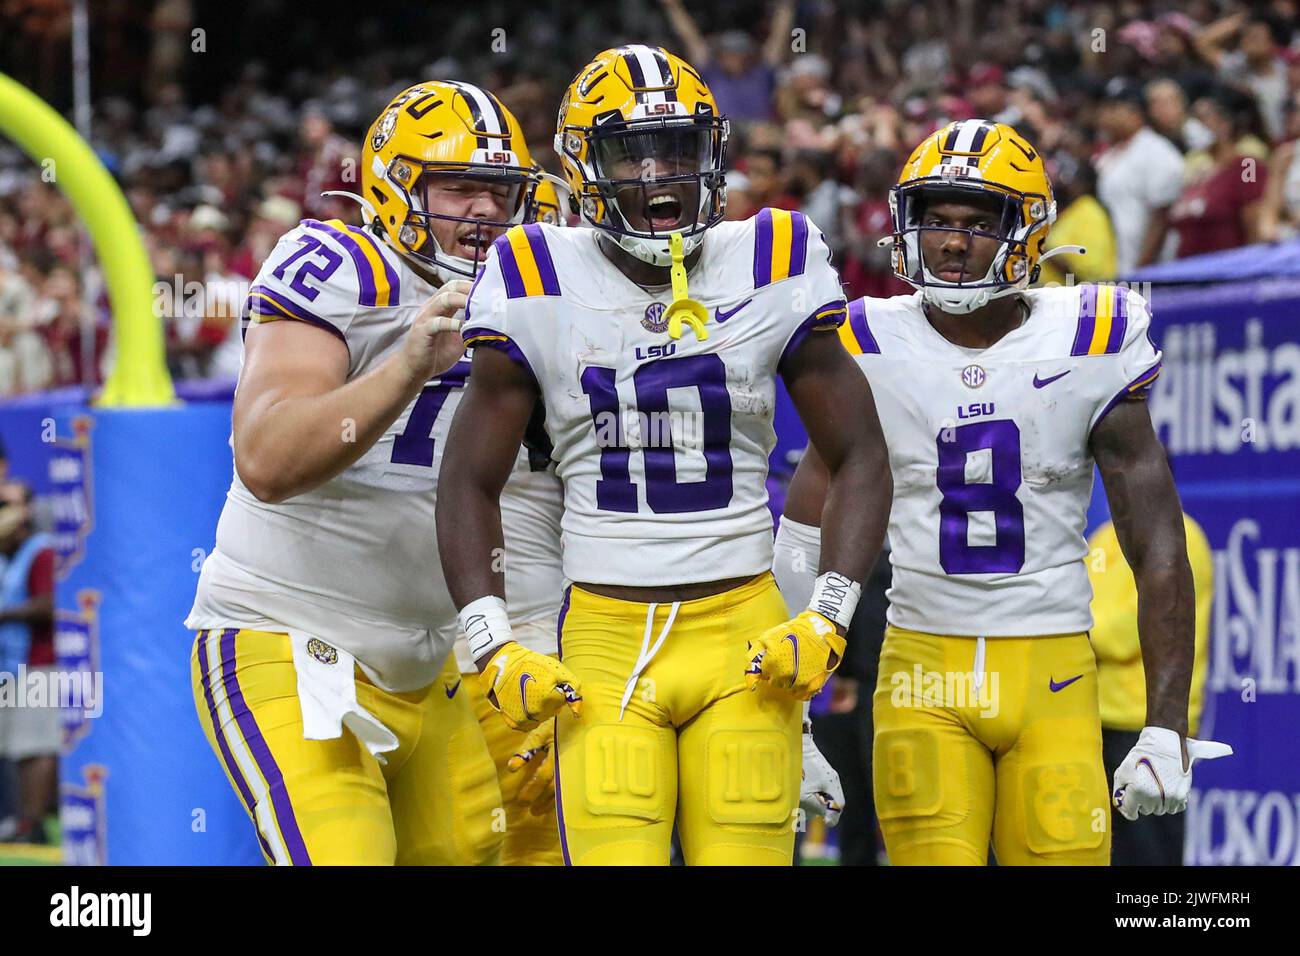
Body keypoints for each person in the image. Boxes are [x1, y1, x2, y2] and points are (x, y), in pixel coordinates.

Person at [437, 45, 892, 866]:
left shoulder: (774, 258)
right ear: (582, 166)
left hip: (742, 631)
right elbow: (468, 482)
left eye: (677, 149)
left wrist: (826, 615)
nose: (656, 174)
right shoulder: (533, 272)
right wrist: (491, 640)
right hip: (606, 640)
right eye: (628, 153)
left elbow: (859, 452)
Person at [782, 120, 1230, 865]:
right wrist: (788, 721)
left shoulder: (1093, 334)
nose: (952, 243)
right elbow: (804, 529)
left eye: (977, 224)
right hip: (920, 667)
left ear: (1025, 231)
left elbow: (1156, 545)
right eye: (935, 221)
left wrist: (1164, 726)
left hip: (1051, 670)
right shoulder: (864, 339)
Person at [184, 81, 542, 865]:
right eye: (460, 187)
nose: (484, 210)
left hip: (434, 663)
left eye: (501, 191)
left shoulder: (528, 295)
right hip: (290, 637)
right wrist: (408, 363)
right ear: (394, 186)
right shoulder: (342, 266)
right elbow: (268, 460)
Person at [1088, 502, 1215, 865]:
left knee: (1146, 855)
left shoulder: (1180, 535)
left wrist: (1069, 629)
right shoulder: (1103, 538)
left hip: (1148, 727)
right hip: (1096, 723)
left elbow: (1132, 632)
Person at [0, 480, 57, 845]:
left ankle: (35, 824)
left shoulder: (42, 552)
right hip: (17, 665)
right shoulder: (12, 556)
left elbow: (49, 605)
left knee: (37, 747)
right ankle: (25, 822)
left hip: (43, 664)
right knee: (21, 749)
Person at [1095, 79, 1184, 275]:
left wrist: (1142, 269)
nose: (1104, 116)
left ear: (1134, 112)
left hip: (1155, 269)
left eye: (1112, 109)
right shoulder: (1110, 155)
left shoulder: (1158, 152)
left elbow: (1161, 216)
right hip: (1119, 265)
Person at [1169, 92, 1269, 259]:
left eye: (1204, 117)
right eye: (1195, 117)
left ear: (1225, 123)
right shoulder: (1198, 171)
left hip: (1228, 271)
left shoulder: (1247, 165)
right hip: (1190, 272)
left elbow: (1255, 225)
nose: (1197, 124)